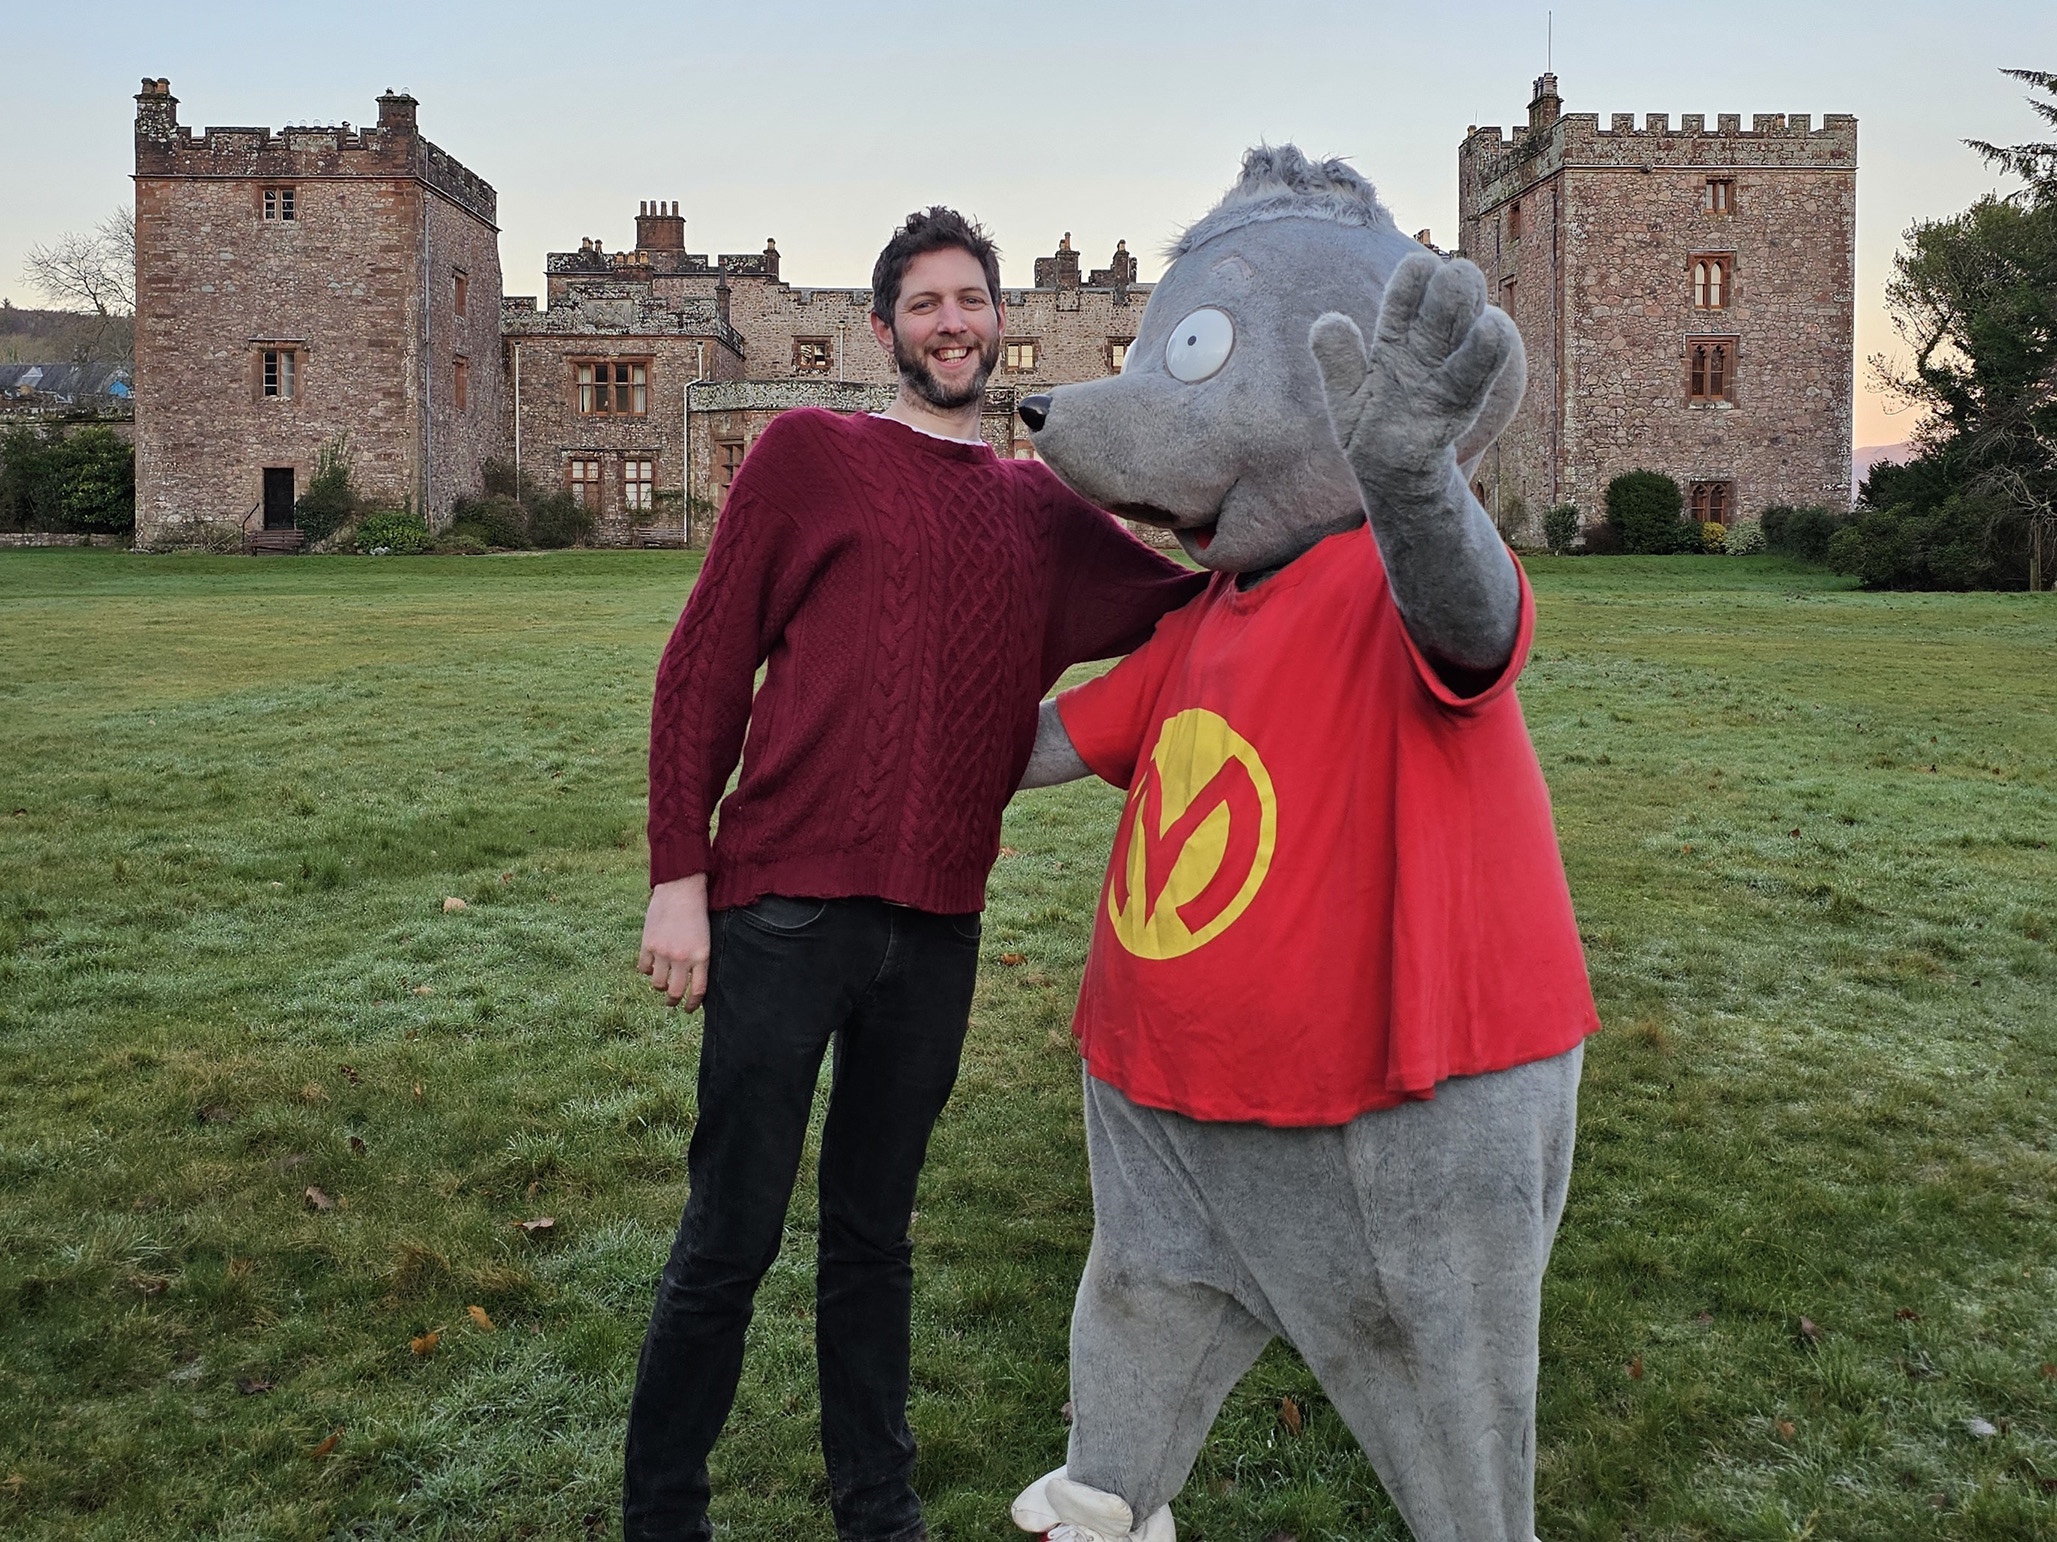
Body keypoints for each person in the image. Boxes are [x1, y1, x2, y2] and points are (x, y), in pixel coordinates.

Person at [624, 206, 1205, 1542]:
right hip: (782, 907)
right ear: (884, 328)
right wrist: (677, 875)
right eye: (927, 302)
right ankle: (661, 1515)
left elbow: (1196, 600)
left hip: (937, 925)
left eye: (972, 300)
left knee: (873, 1238)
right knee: (728, 1237)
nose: (954, 322)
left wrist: (1348, 538)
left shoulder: (1037, 512)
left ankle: (877, 1511)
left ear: (1000, 323)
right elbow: (703, 665)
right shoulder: (808, 455)